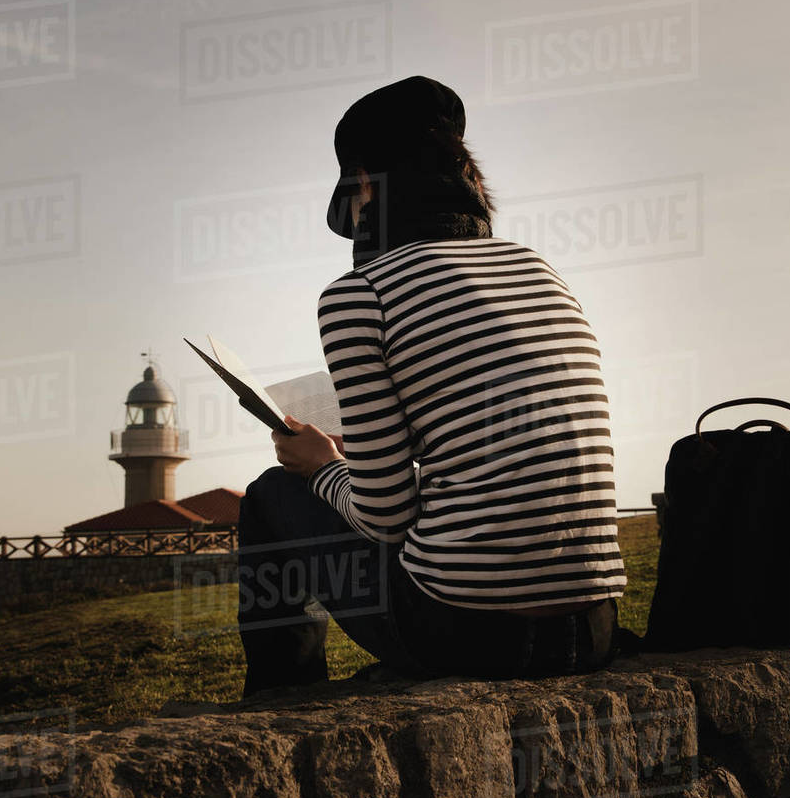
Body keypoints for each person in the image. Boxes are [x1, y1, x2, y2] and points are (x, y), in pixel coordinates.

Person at [237, 75, 626, 694]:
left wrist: (322, 465)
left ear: (363, 184)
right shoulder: (536, 267)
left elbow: (385, 516)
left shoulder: (358, 294)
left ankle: (284, 701)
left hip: (468, 633)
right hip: (594, 628)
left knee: (268, 497)